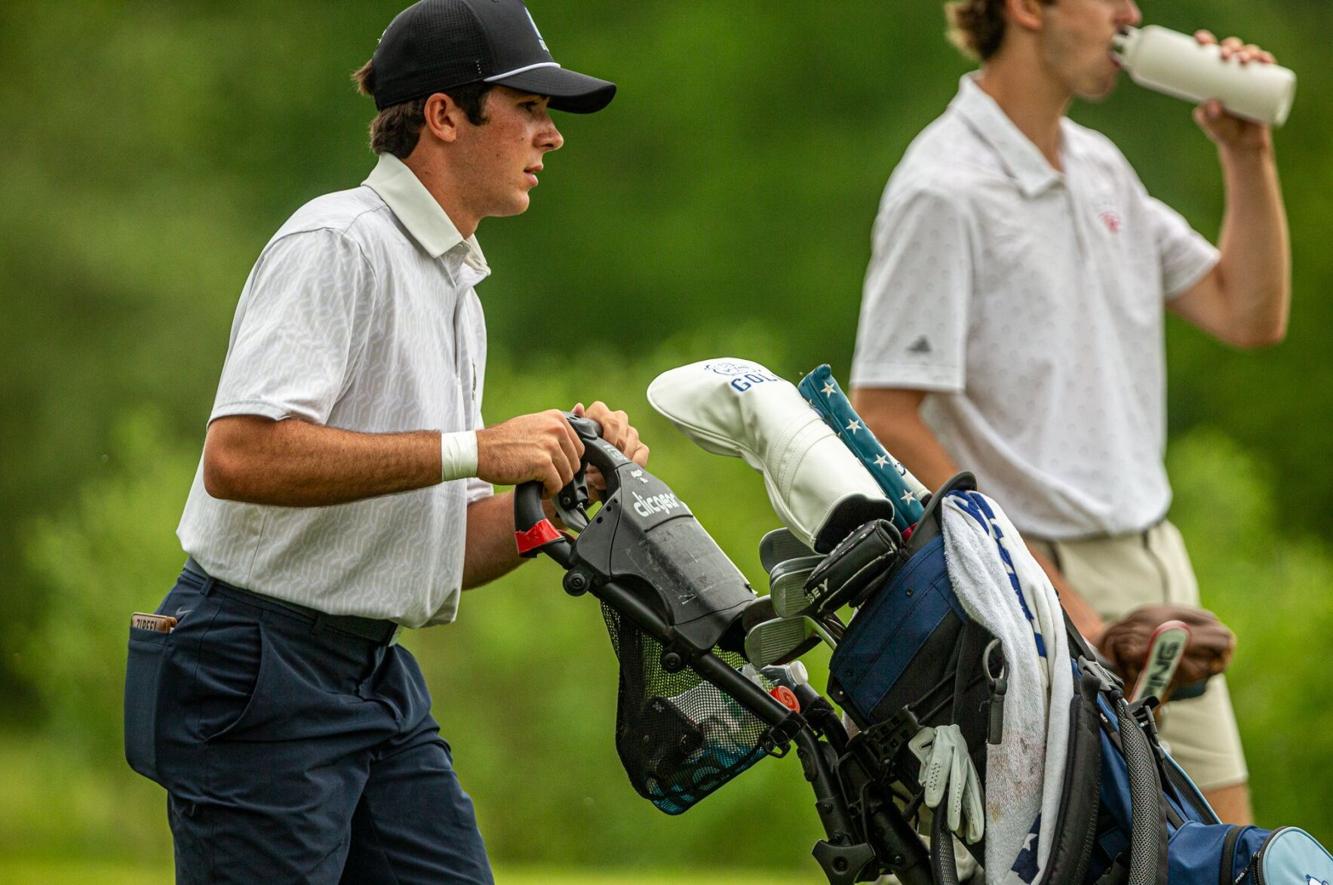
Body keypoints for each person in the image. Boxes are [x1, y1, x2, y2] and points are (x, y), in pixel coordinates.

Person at [121, 1, 647, 881]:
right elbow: (239, 456)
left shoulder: (455, 290)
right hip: (253, 663)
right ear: (444, 115)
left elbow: (431, 548)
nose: (549, 137)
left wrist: (549, 497)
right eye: (531, 108)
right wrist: (478, 448)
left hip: (368, 672)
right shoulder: (338, 242)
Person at [848, 0, 1289, 826]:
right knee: (1087, 858)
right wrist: (1052, 596)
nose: (1132, 14)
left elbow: (1248, 313)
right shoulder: (942, 188)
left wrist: (1245, 153)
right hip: (1042, 581)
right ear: (1025, 9)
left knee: (1225, 855)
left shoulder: (1101, 166)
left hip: (1159, 571)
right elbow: (884, 411)